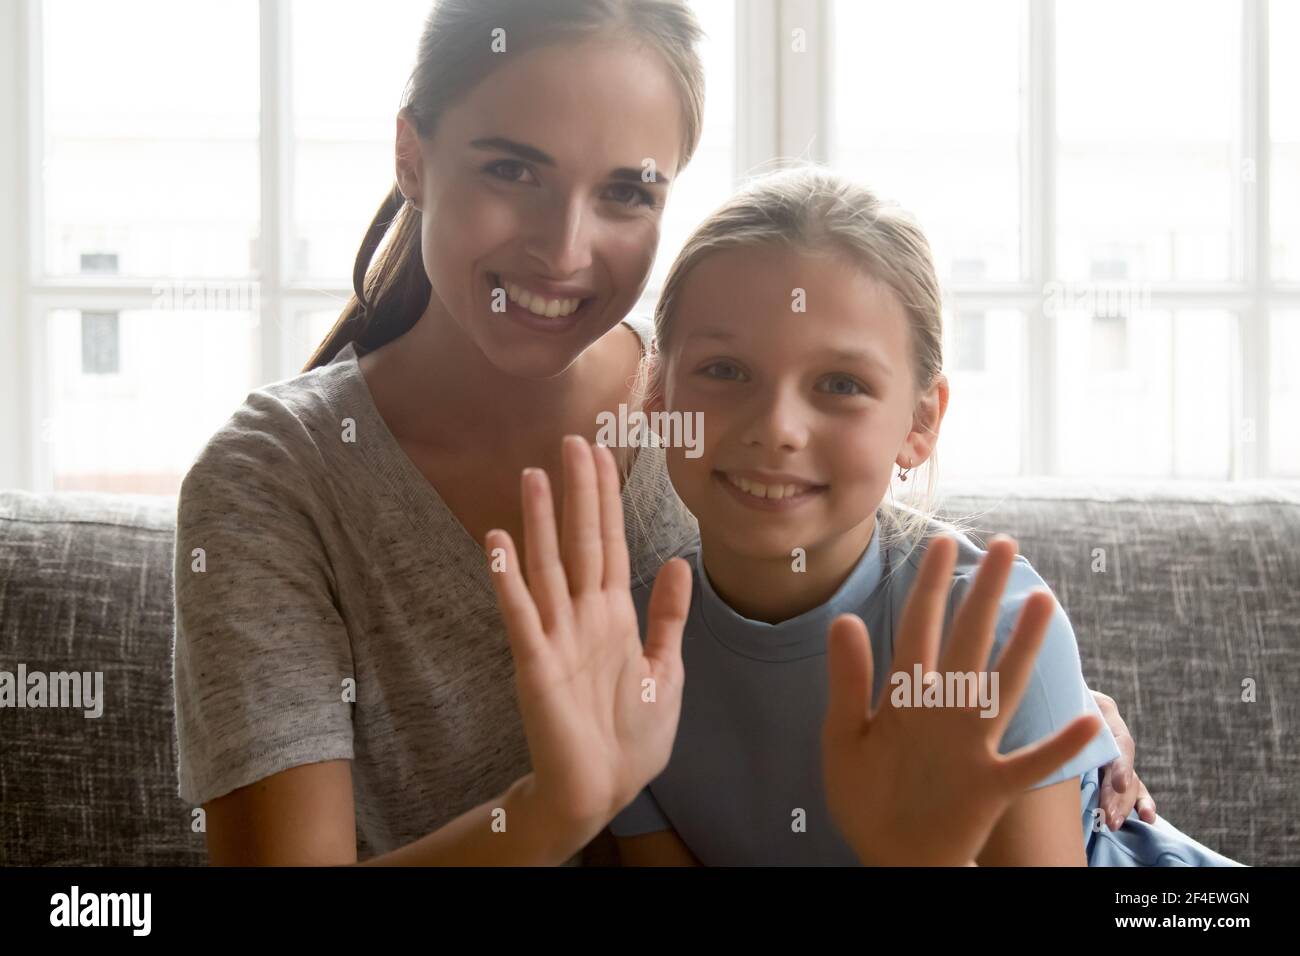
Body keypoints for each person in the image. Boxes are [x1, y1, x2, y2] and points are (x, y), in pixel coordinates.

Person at [172, 0, 1150, 866]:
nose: (562, 250)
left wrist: (1041, 718)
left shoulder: (714, 403)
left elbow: (882, 580)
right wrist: (550, 809)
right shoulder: (277, 479)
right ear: (411, 158)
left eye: (627, 192)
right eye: (512, 168)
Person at [587, 166, 1238, 865]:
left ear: (920, 421)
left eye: (841, 384)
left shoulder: (990, 625)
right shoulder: (623, 650)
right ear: (658, 391)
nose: (776, 427)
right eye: (725, 370)